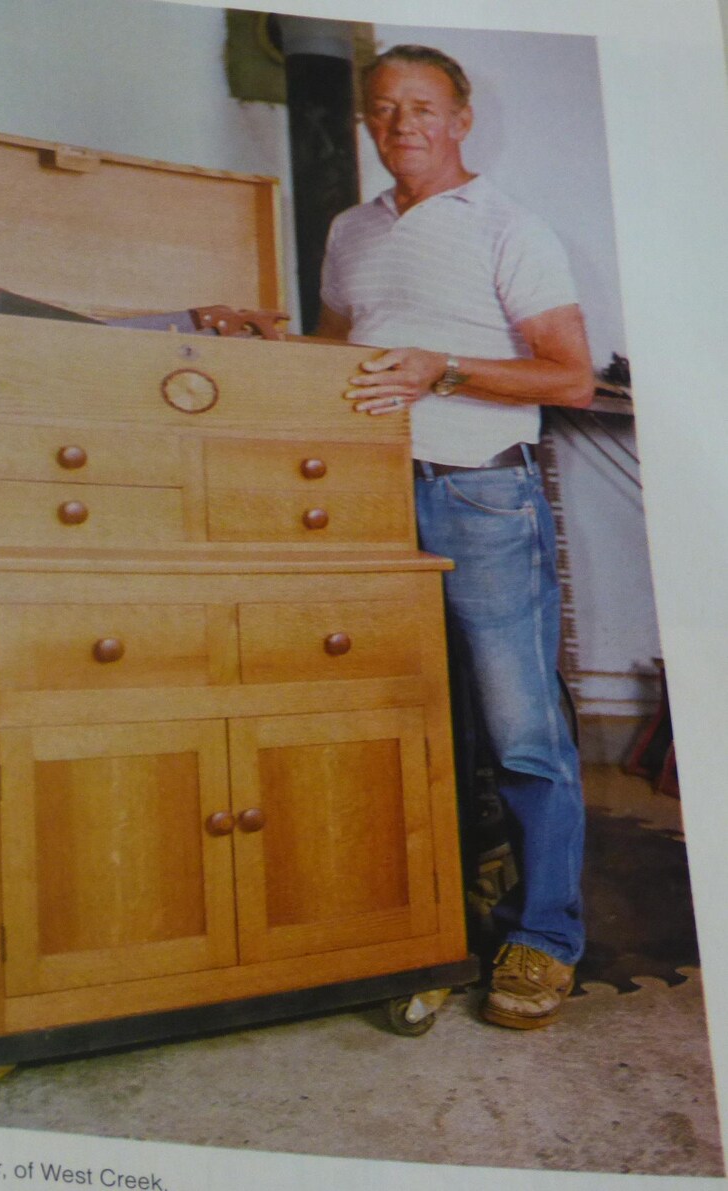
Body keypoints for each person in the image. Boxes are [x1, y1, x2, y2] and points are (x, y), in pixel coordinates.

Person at [316, 44, 594, 1029]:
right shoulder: (351, 230)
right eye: (384, 109)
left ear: (461, 117)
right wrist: (267, 344)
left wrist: (441, 370)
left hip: (480, 495)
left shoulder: (511, 228)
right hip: (367, 501)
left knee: (521, 728)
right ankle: (431, 918)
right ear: (368, 122)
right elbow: (336, 352)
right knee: (408, 719)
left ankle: (545, 933)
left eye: (423, 107)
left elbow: (570, 377)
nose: (403, 125)